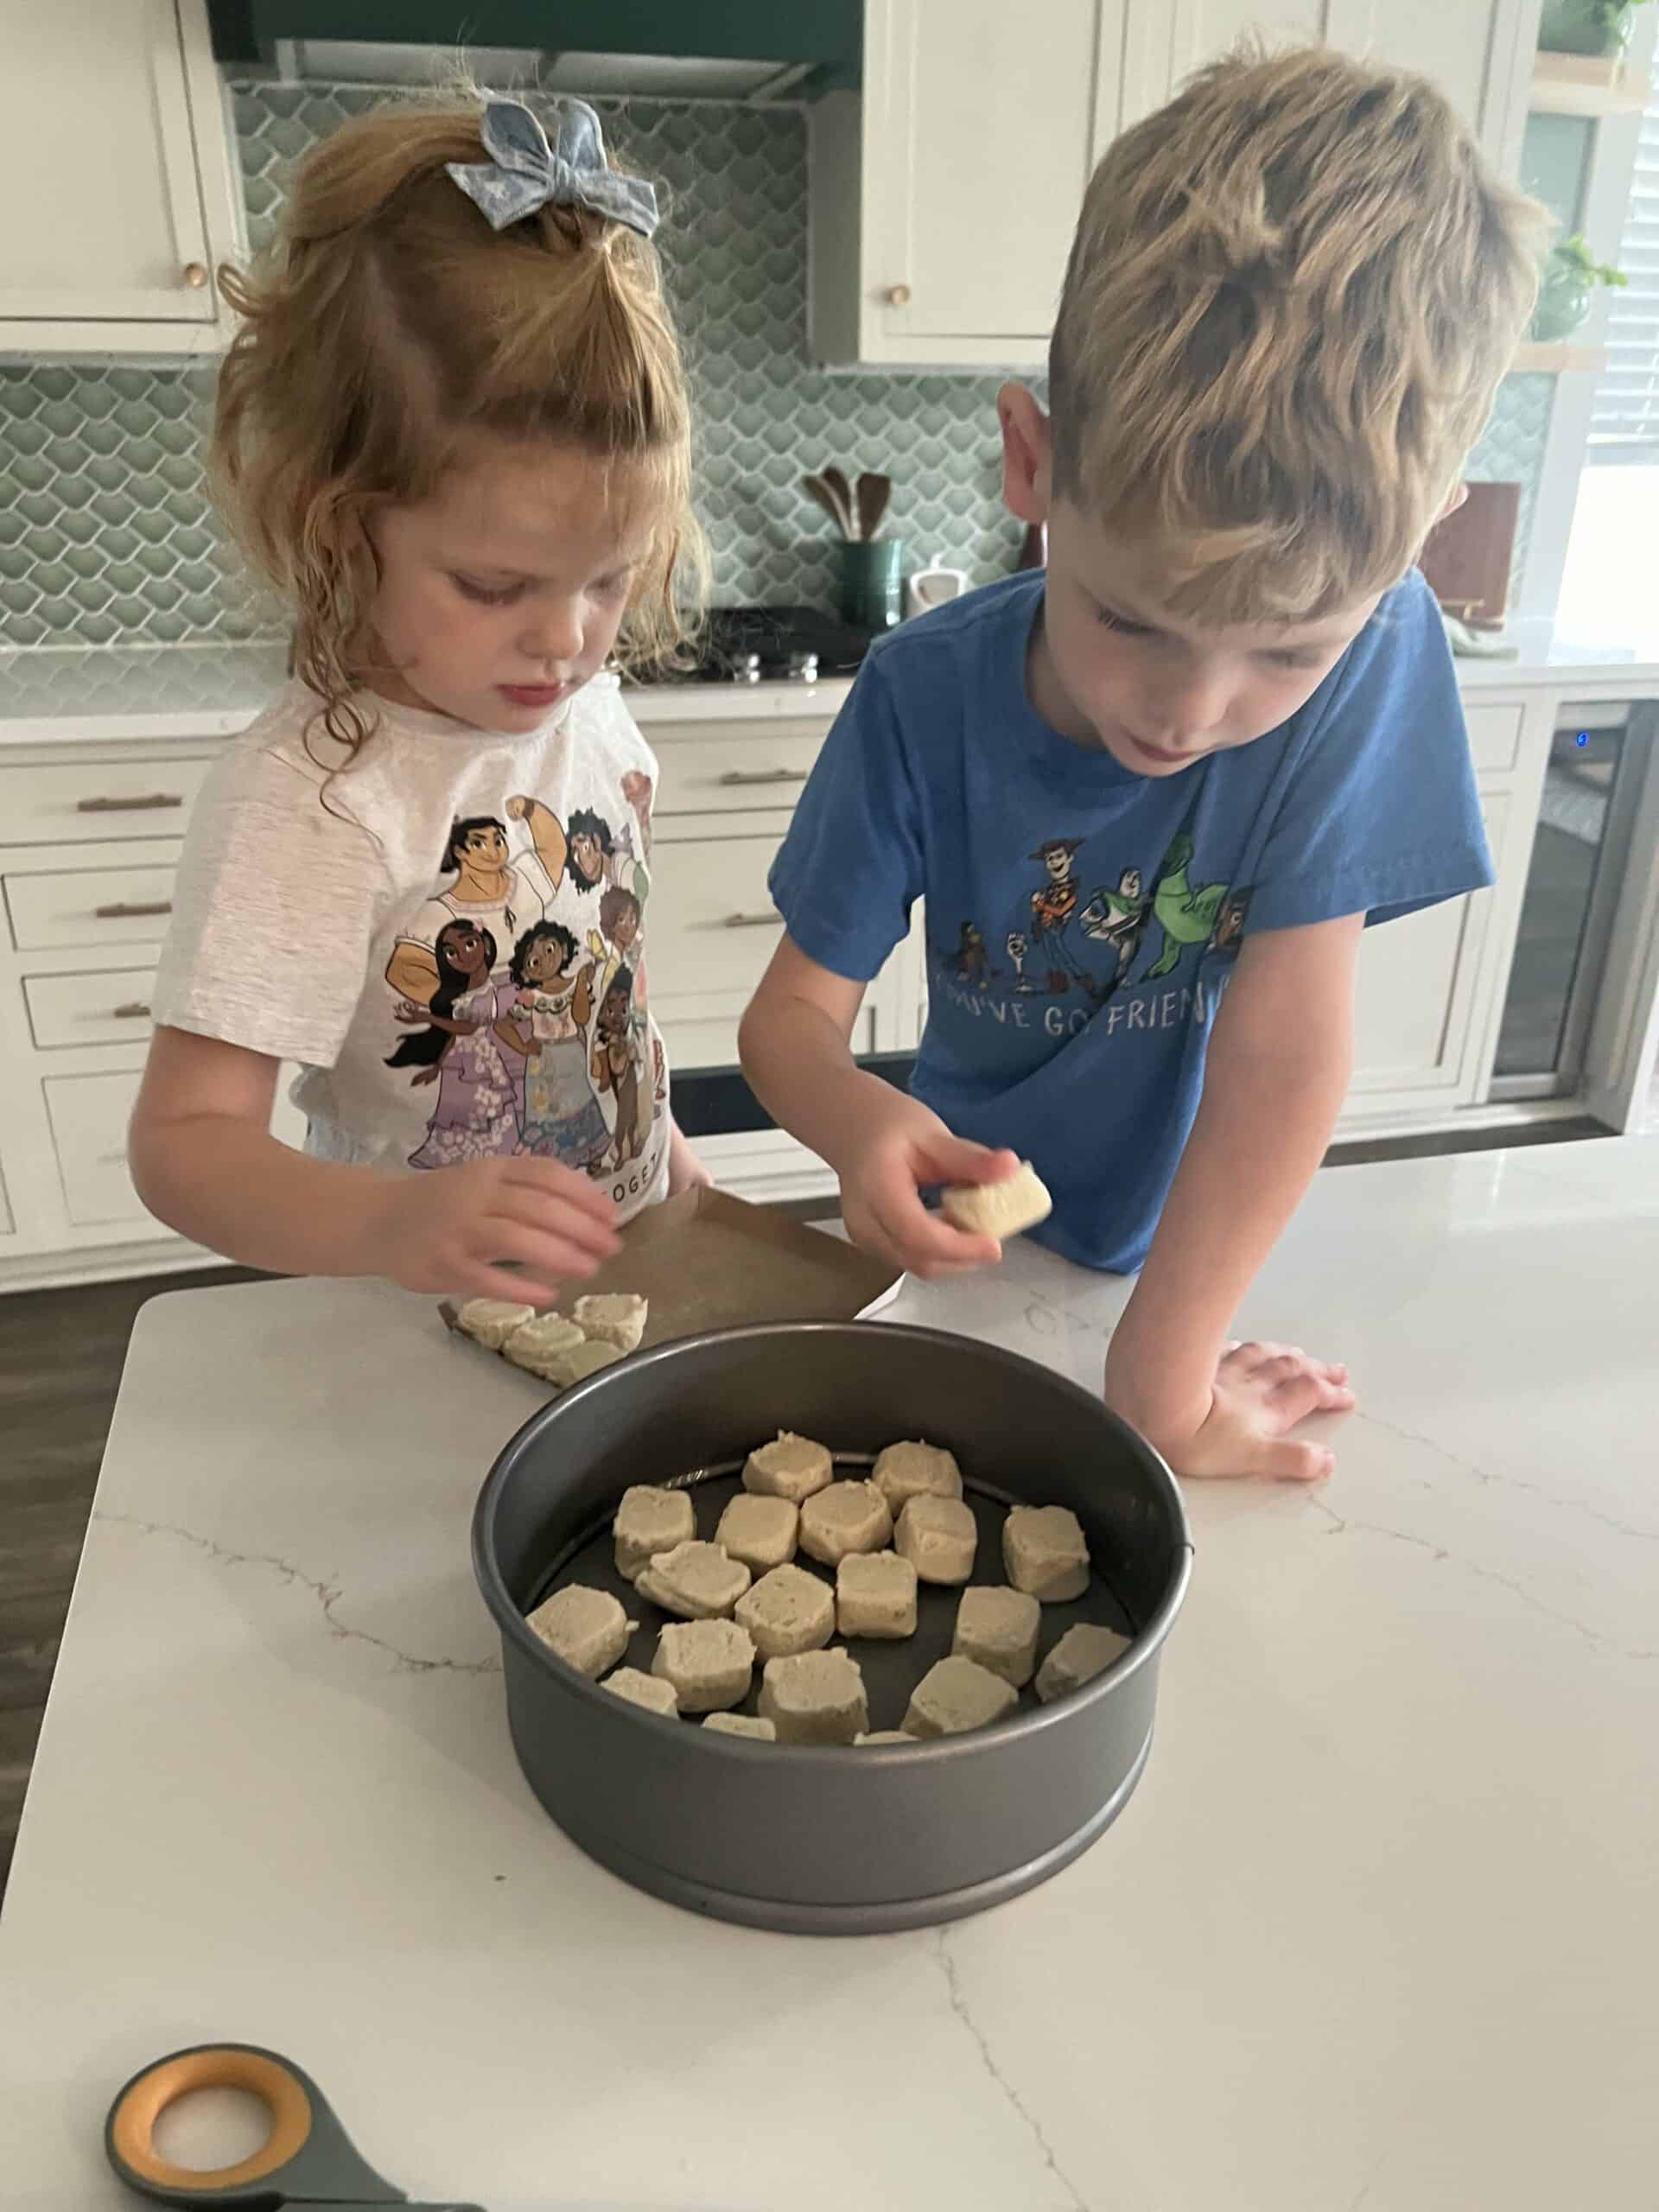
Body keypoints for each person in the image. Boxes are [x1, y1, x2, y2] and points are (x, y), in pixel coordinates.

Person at [739, 47, 1545, 1481]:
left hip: (1202, 1257)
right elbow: (789, 1023)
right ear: (1032, 466)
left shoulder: (1375, 651)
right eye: (1130, 618)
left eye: (1285, 655)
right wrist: (862, 1125)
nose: (1192, 712)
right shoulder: (924, 692)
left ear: (1409, 553)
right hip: (978, 1270)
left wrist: (1164, 1382)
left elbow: (1287, 1046)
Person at [130, 92, 711, 1306]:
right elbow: (186, 1146)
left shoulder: (590, 711)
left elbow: (611, 977)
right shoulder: (315, 798)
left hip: (621, 1275)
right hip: (414, 1316)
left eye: (608, 580)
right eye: (494, 584)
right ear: (342, 523)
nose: (565, 640)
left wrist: (664, 1148)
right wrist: (396, 1222)